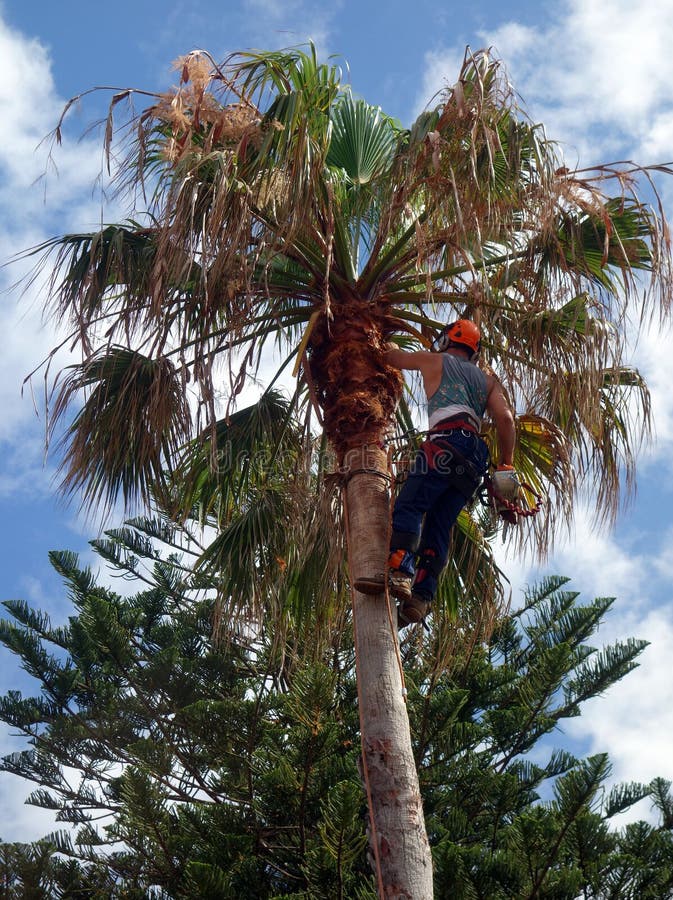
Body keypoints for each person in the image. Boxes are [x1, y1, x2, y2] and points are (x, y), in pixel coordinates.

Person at [355, 319, 518, 627]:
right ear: (475, 351)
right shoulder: (488, 381)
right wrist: (506, 465)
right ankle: (421, 598)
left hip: (445, 443)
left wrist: (386, 343)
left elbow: (391, 358)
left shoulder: (432, 359)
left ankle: (401, 570)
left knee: (412, 504)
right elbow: (506, 420)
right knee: (440, 525)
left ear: (447, 340)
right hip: (474, 461)